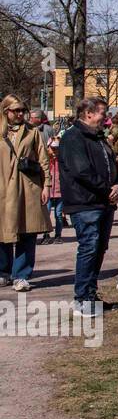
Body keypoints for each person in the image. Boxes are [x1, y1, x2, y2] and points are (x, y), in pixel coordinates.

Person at [59, 97, 118, 315]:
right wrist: (107, 189)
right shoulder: (73, 138)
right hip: (85, 203)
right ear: (88, 114)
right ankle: (82, 298)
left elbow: (113, 164)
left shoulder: (99, 138)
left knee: (99, 248)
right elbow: (81, 171)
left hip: (104, 202)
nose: (106, 118)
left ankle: (90, 294)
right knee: (89, 247)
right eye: (103, 114)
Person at [0, 94, 50, 293]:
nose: (20, 114)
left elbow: (43, 160)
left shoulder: (32, 132)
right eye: (16, 111)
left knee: (26, 232)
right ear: (6, 111)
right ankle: (3, 271)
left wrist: (46, 186)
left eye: (23, 110)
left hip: (27, 186)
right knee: (2, 231)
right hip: (2, 187)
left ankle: (21, 275)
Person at [42, 134, 64, 244]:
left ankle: (58, 235)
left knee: (58, 214)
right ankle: (46, 235)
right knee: (46, 214)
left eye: (57, 149)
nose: (55, 151)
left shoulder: (62, 162)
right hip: (48, 192)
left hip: (60, 192)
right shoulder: (45, 162)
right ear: (48, 148)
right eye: (53, 148)